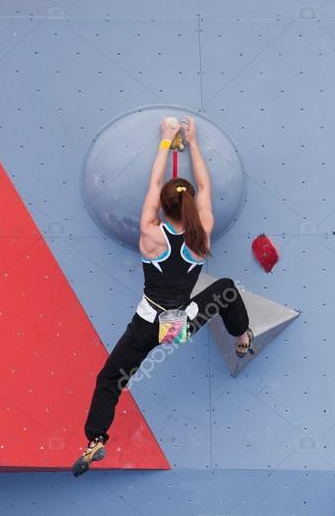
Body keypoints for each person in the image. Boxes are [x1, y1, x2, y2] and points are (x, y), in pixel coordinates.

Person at [72, 116, 252, 476]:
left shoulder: (149, 233)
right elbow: (204, 184)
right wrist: (194, 141)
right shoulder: (203, 232)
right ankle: (243, 338)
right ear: (190, 207)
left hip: (146, 323)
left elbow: (154, 184)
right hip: (180, 324)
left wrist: (165, 139)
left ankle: (96, 439)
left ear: (164, 209)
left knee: (111, 378)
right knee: (227, 289)